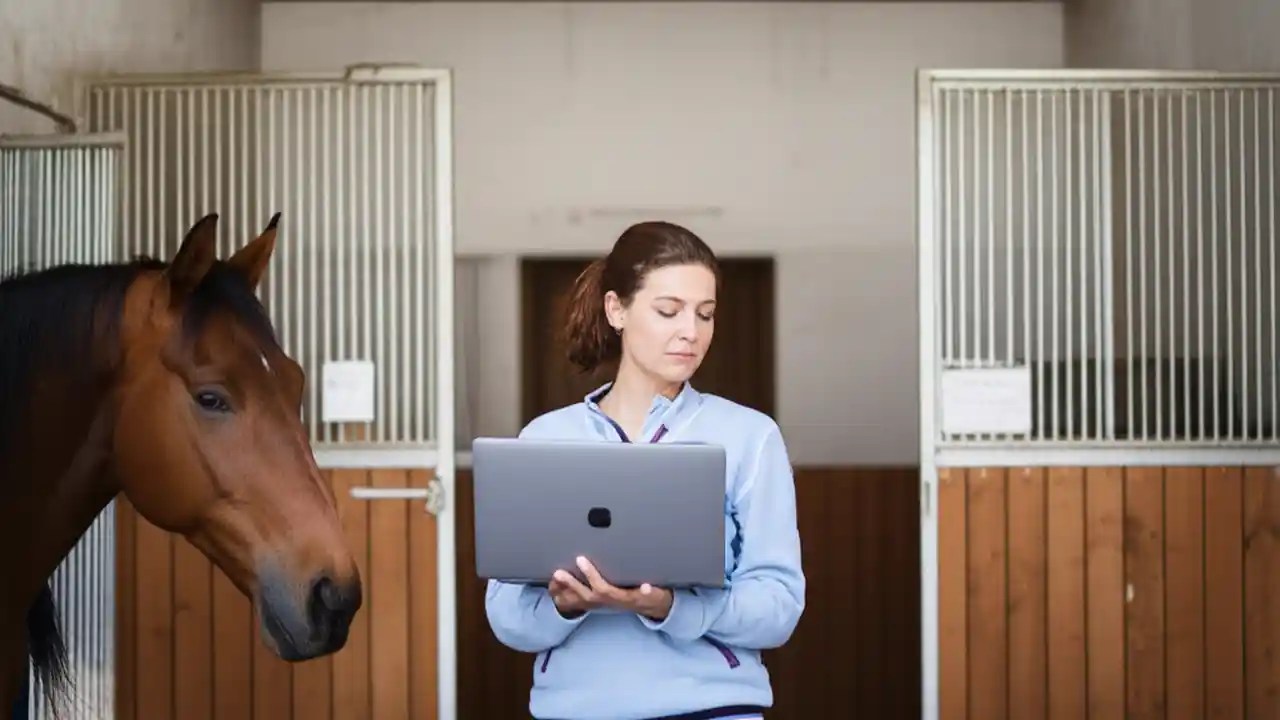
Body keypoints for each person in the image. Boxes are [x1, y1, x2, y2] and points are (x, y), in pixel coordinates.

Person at [484, 220, 806, 720]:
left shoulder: (751, 436)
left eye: (706, 314)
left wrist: (672, 608)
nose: (691, 332)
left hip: (714, 709)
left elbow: (779, 609)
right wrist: (567, 606)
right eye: (668, 311)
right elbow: (507, 617)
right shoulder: (545, 439)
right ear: (617, 309)